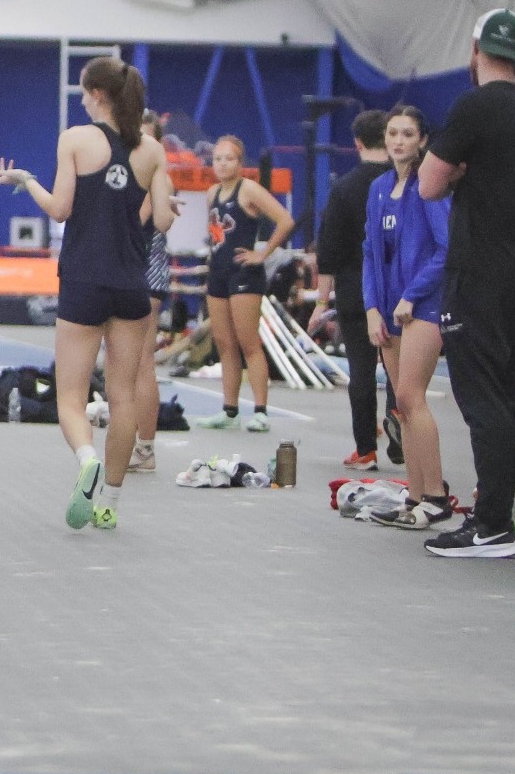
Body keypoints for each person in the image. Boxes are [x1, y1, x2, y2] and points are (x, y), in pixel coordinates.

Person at [0, 57, 176, 529]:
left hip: (85, 280)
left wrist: (27, 181)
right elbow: (165, 220)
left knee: (71, 397)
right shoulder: (151, 150)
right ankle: (109, 498)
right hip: (132, 284)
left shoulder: (74, 139)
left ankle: (87, 459)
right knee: (123, 396)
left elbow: (60, 210)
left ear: (97, 95)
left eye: (84, 92)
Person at [418, 9, 515, 563]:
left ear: (476, 49)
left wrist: (460, 173)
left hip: (480, 277)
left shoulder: (475, 105)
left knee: (486, 401)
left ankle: (492, 525)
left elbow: (428, 185)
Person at [356, 108, 455, 529]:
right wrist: (372, 307)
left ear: (422, 140)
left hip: (424, 307)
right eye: (392, 133)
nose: (398, 141)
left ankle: (435, 495)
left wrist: (412, 296)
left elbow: (445, 248)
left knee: (412, 397)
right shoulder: (379, 188)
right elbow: (368, 252)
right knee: (401, 405)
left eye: (407, 133)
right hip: (390, 309)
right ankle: (415, 494)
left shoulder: (430, 187)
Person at [311, 110, 395, 470]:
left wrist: (320, 302)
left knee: (361, 369)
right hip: (399, 289)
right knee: (400, 370)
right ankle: (403, 436)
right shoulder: (403, 183)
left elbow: (328, 252)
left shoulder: (344, 188)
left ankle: (365, 449)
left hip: (356, 289)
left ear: (357, 143)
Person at [194, 135, 295, 432]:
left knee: (248, 342)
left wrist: (262, 253)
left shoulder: (249, 189)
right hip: (219, 271)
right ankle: (229, 410)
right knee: (224, 344)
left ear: (240, 163)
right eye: (217, 159)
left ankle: (261, 410)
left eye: (229, 158)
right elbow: (215, 234)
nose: (223, 164)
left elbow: (285, 220)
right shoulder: (211, 193)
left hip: (243, 273)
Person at [127, 110, 178, 474]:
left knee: (141, 362)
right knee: (127, 364)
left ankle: (145, 448)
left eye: (147, 138)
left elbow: (138, 221)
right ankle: (134, 442)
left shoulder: (153, 178)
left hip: (145, 275)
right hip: (133, 273)